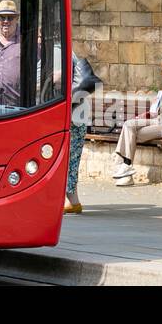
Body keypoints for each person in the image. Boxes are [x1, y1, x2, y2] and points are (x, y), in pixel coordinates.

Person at [112, 53, 162, 183]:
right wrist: (144, 115)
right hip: (159, 120)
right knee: (129, 124)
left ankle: (123, 166)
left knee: (132, 135)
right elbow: (155, 110)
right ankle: (126, 167)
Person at [65, 51, 101, 213]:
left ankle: (72, 201)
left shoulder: (57, 51)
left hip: (72, 114)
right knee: (71, 158)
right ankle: (73, 200)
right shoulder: (65, 51)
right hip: (76, 114)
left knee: (70, 158)